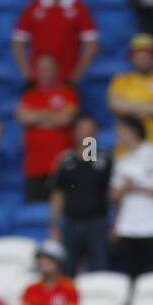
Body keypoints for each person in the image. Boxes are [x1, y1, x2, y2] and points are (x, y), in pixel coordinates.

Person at [11, 0, 99, 86]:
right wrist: (27, 74)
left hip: (68, 79)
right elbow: (18, 42)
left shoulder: (79, 8)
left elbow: (91, 44)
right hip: (39, 80)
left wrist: (76, 76)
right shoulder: (33, 7)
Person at [109, 115, 153, 278]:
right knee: (131, 277)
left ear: (133, 131)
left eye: (121, 131)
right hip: (128, 227)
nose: (118, 136)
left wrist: (137, 185)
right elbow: (114, 194)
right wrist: (116, 224)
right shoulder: (122, 160)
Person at [49, 114, 113, 274]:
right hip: (72, 223)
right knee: (68, 268)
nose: (86, 134)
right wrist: (54, 224)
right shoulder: (65, 160)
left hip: (97, 223)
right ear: (75, 133)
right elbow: (58, 194)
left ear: (96, 133)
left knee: (99, 268)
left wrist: (115, 223)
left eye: (90, 131)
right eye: (83, 130)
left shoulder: (106, 160)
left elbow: (114, 194)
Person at [18, 54, 79, 203]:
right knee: (34, 214)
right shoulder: (29, 95)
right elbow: (24, 117)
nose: (45, 72)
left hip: (62, 166)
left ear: (56, 70)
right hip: (35, 166)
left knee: (63, 211)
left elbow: (66, 119)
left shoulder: (68, 93)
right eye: (41, 69)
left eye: (49, 68)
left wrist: (38, 117)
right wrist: (54, 116)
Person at [108, 34, 153, 150]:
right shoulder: (120, 80)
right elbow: (115, 106)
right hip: (126, 148)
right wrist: (149, 106)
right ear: (132, 57)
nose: (143, 58)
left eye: (147, 54)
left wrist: (129, 106)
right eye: (139, 55)